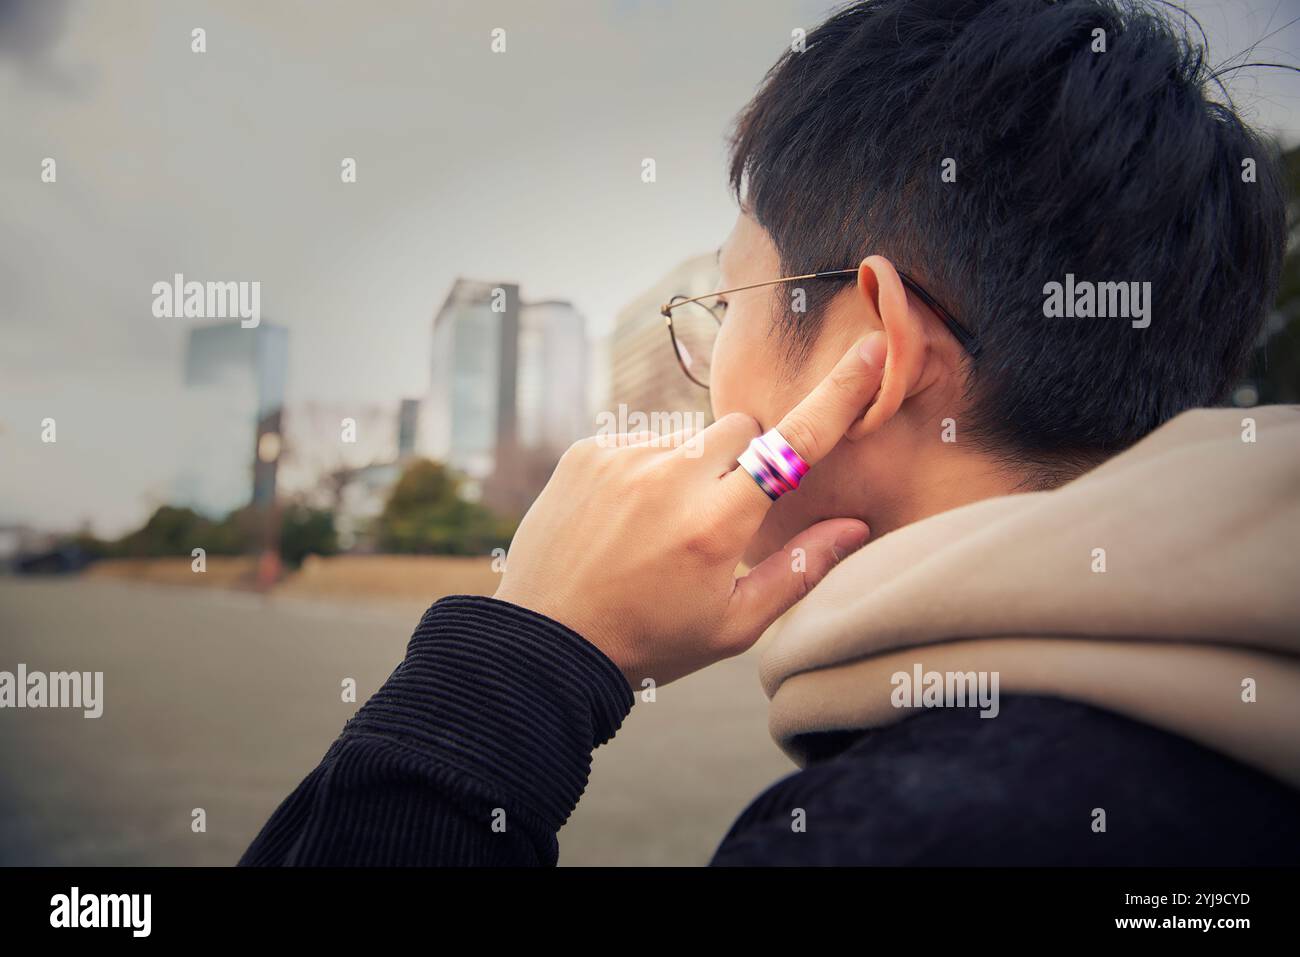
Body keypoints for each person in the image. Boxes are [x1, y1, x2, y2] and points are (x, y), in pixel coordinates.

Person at [241, 0, 1300, 866]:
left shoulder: (891, 836)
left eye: (726, 304)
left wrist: (527, 663)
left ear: (874, 353)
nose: (709, 371)